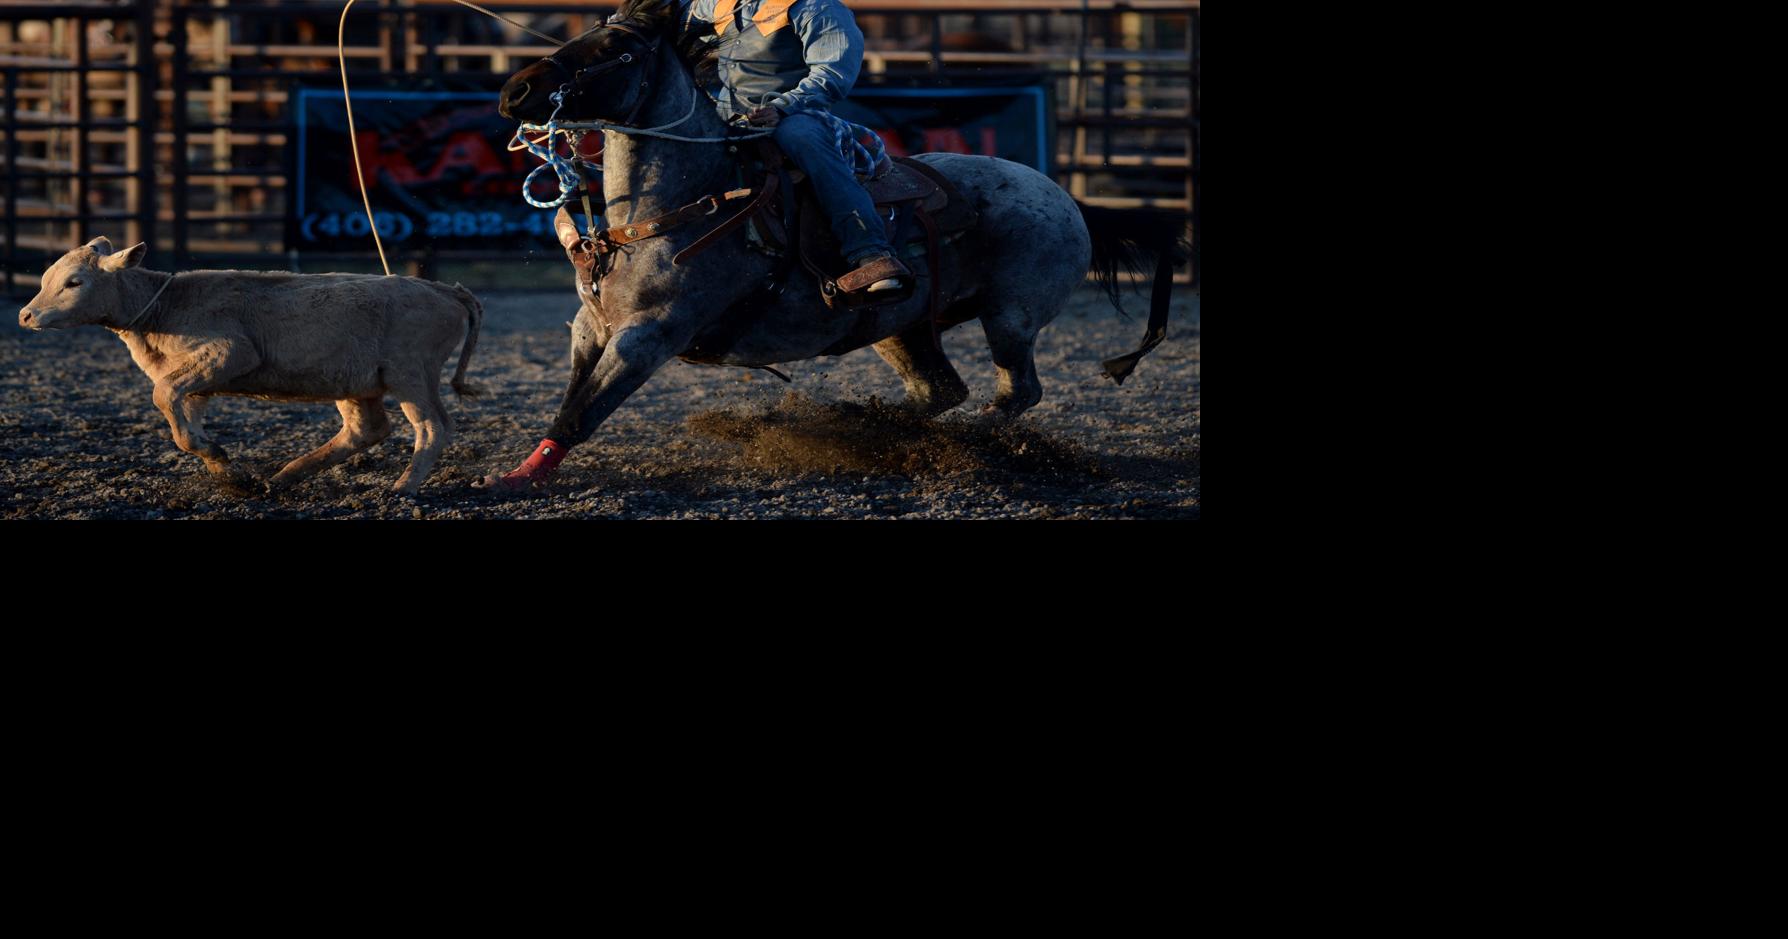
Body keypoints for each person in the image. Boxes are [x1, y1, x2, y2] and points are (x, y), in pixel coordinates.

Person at [671, 0, 909, 295]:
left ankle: (870, 251)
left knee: (803, 140)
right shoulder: (716, 4)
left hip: (795, 116)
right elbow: (663, 17)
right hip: (725, 118)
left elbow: (833, 73)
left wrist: (783, 106)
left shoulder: (815, 6)